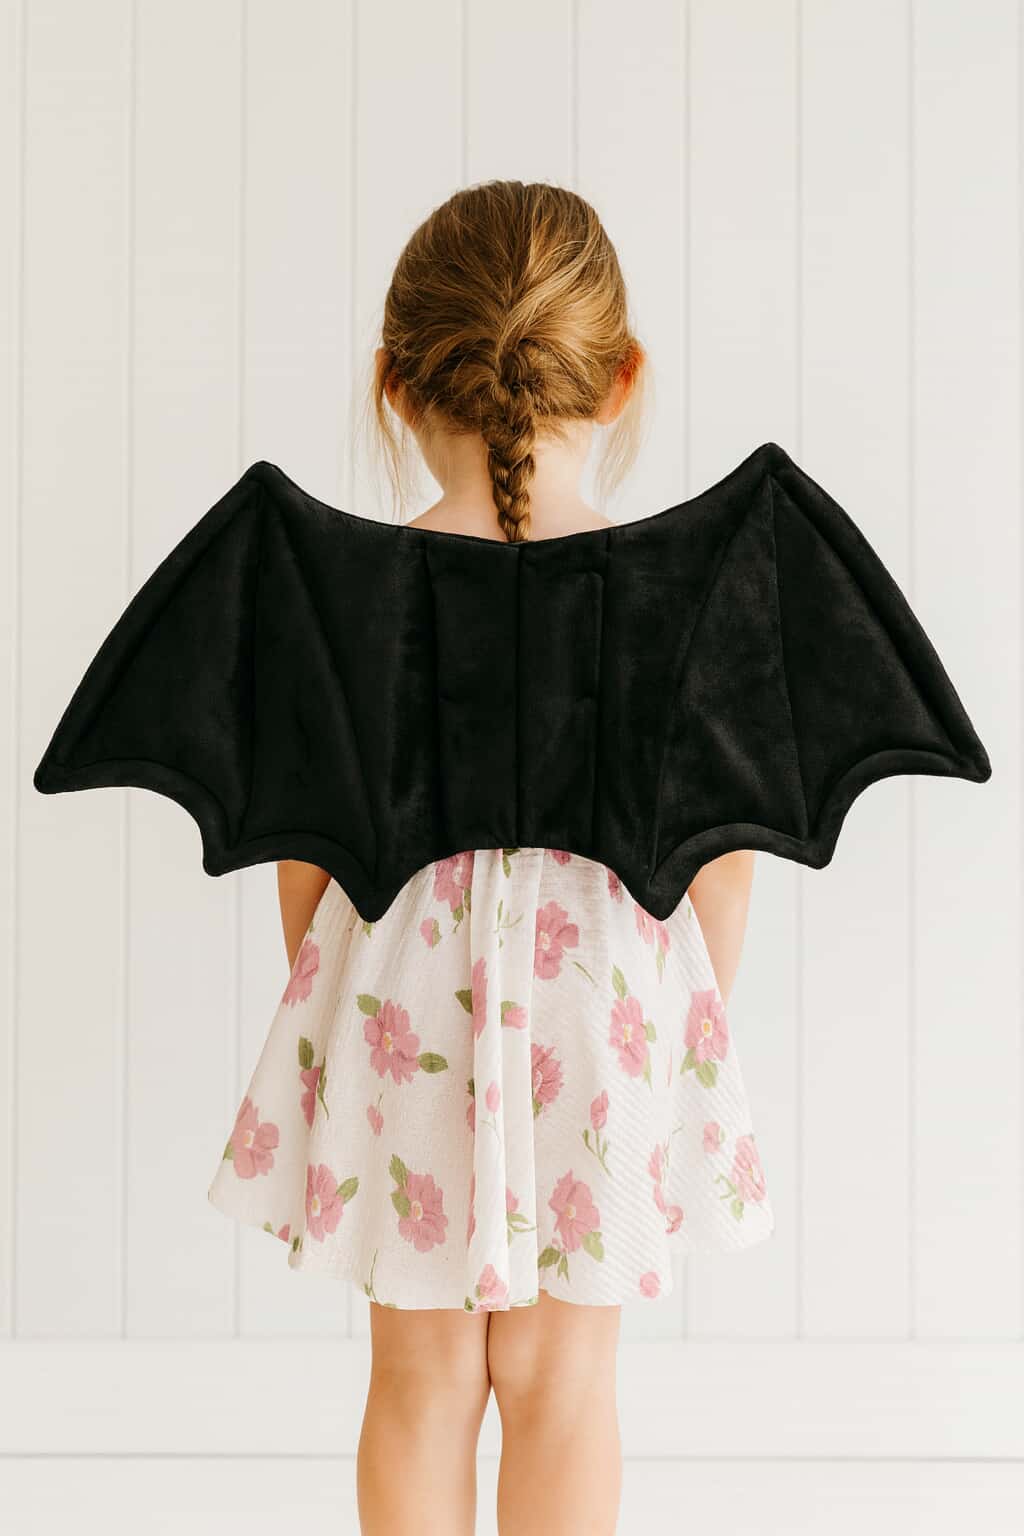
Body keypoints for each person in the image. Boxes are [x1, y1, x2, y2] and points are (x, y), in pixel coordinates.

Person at [208, 180, 772, 1536]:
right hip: (606, 1005)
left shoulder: (343, 595)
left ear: (395, 384)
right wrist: (683, 1022)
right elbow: (722, 861)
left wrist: (348, 1016)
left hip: (402, 1001)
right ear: (623, 379)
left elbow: (308, 856)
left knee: (417, 1381)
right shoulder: (681, 597)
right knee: (566, 1383)